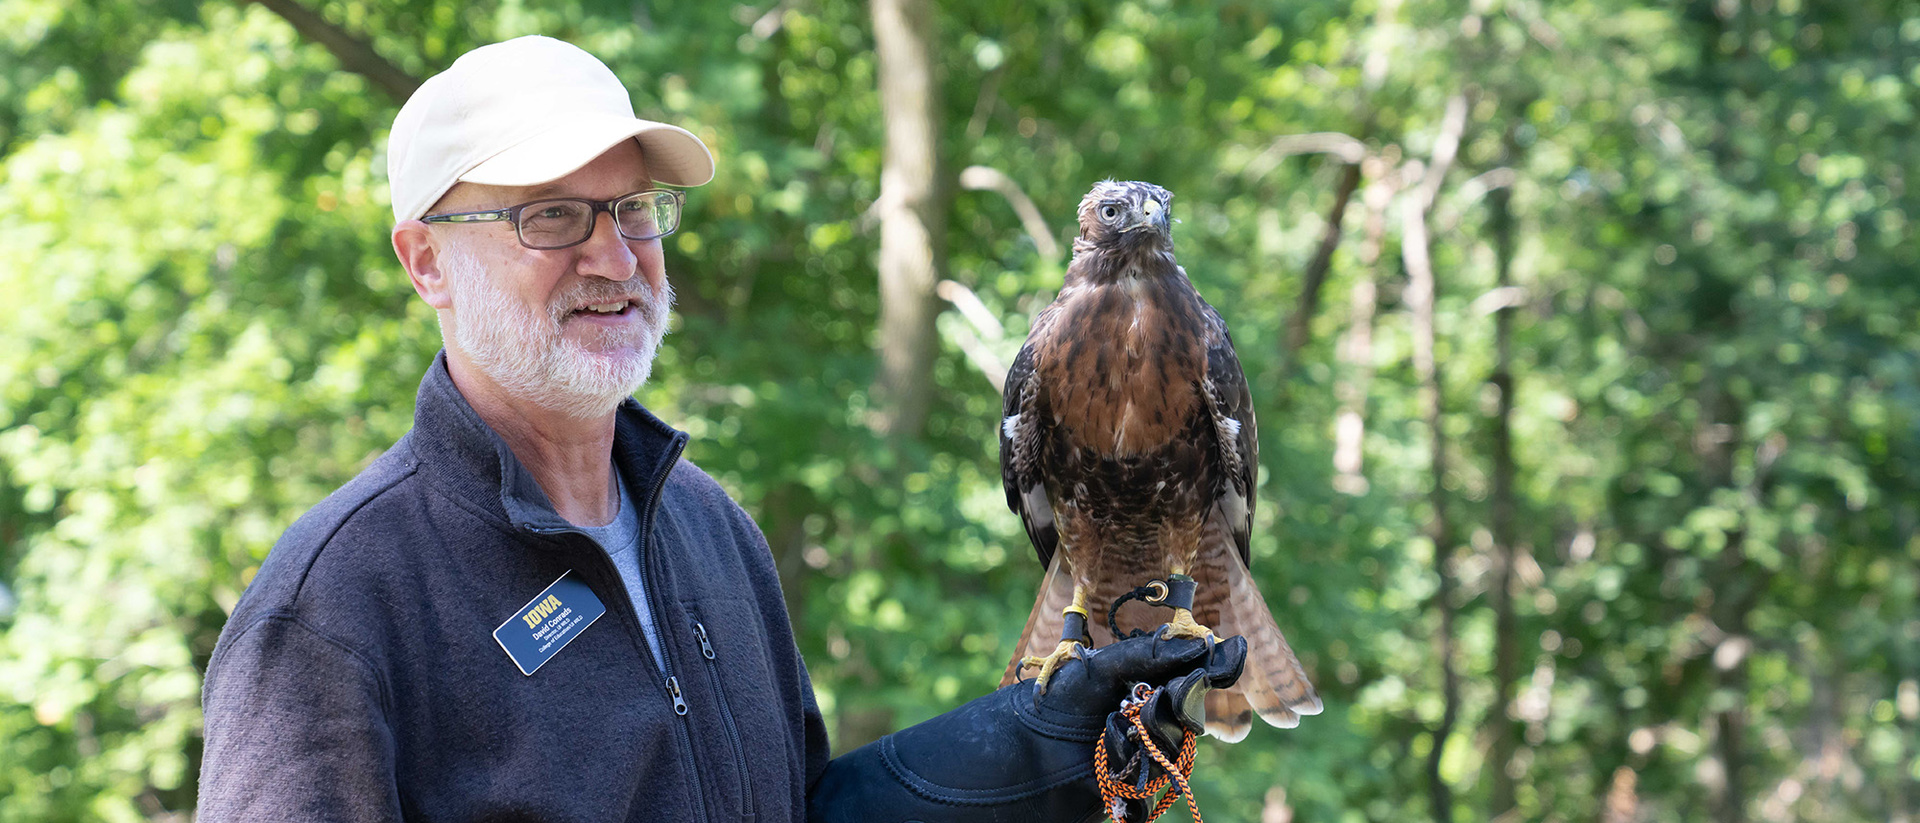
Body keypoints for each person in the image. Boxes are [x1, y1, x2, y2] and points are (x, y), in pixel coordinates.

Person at [197, 35, 1243, 822]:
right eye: (551, 216)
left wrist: (1035, 751)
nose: (614, 255)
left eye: (634, 208)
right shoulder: (334, 606)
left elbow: (801, 809)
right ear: (426, 259)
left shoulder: (705, 528)